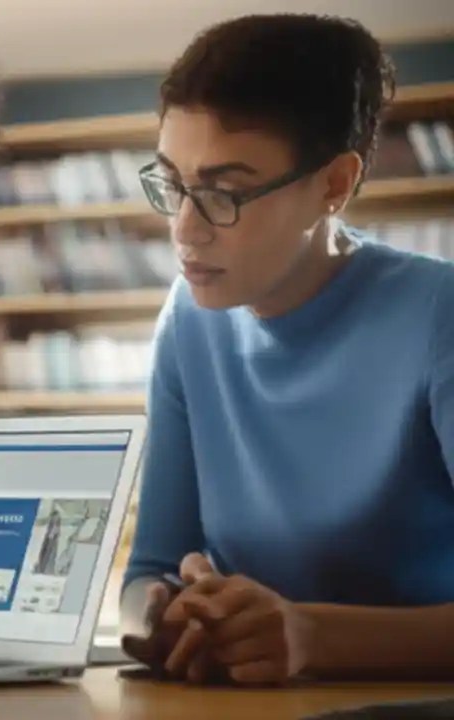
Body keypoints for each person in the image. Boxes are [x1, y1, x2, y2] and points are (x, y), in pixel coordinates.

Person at [119, 13, 454, 686]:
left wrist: (310, 636)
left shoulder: (437, 315)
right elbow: (148, 573)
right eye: (171, 184)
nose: (184, 228)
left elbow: (298, 637)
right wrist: (158, 620)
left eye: (224, 193)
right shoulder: (187, 321)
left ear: (333, 185)